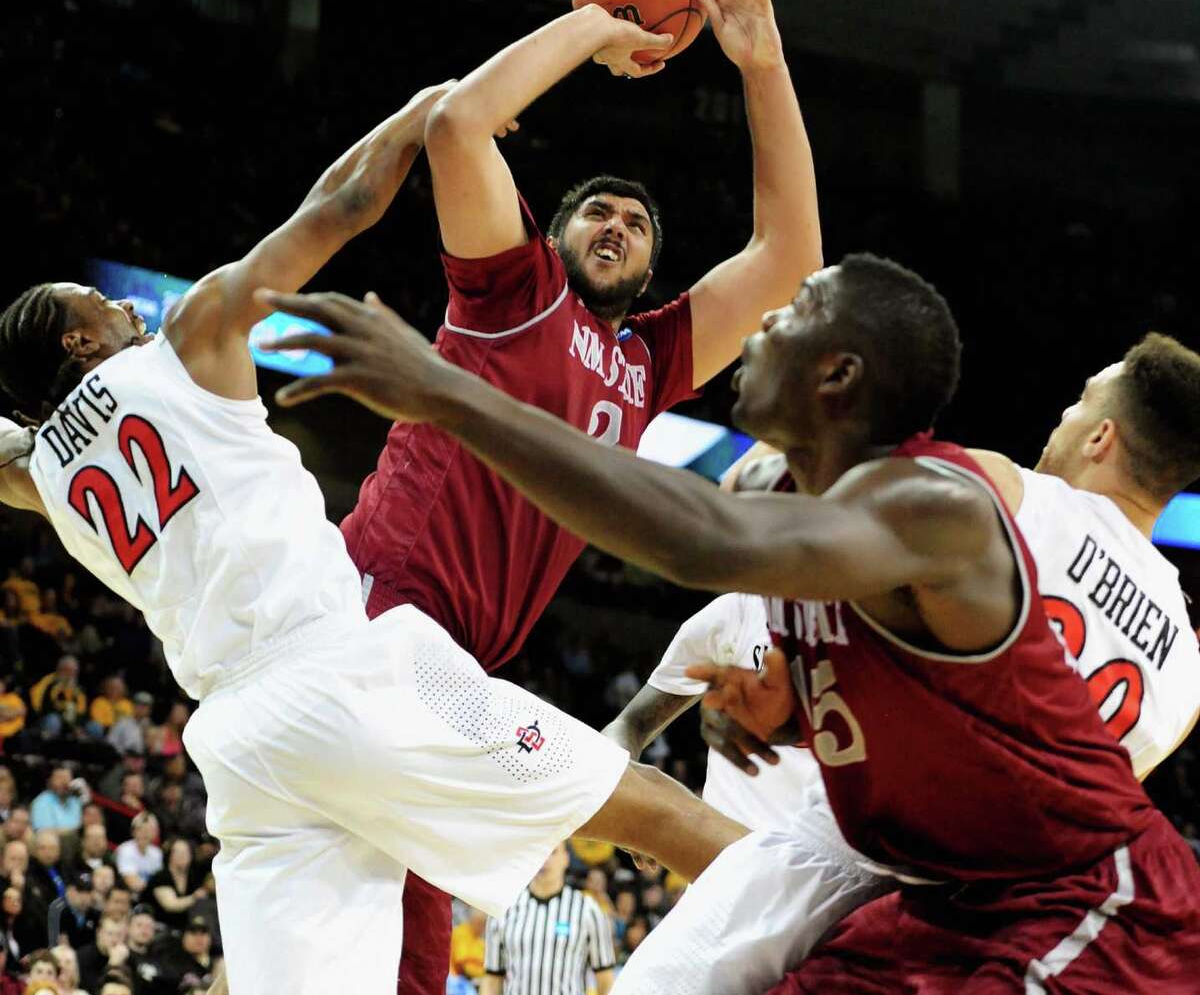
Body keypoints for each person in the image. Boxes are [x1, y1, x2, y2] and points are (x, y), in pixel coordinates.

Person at [261, 261, 1200, 992]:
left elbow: (706, 538)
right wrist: (810, 704)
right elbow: (997, 746)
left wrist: (449, 392)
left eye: (790, 317)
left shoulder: (972, 495)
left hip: (1031, 909)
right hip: (938, 896)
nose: (761, 326)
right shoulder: (1184, 667)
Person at [0, 82, 745, 994]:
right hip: (348, 666)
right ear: (79, 341)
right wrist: (432, 108)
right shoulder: (185, 342)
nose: (123, 308)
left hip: (238, 748)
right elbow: (344, 201)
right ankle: (863, 951)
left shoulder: (37, 476)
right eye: (96, 303)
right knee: (656, 811)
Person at [339, 0, 820, 994]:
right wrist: (603, 26)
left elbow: (790, 261)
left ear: (654, 262)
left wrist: (763, 66)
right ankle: (875, 957)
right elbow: (459, 120)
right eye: (596, 209)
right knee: (670, 821)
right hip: (380, 613)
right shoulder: (512, 290)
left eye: (638, 220)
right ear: (549, 232)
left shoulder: (649, 359)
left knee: (403, 951)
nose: (617, 223)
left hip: (453, 652)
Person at [603, 389, 1200, 994]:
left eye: (1077, 402)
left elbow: (776, 511)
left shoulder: (1009, 493)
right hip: (949, 930)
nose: (1060, 415)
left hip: (838, 853)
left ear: (1100, 436)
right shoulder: (1185, 671)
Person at [481, 844, 615, 995]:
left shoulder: (588, 910)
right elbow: (492, 979)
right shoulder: (504, 909)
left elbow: (605, 980)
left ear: (566, 858)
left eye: (552, 852)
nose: (544, 860)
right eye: (538, 852)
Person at [29, 656, 86, 737]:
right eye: (67, 670)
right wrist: (69, 725)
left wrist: (77, 726)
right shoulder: (48, 682)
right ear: (60, 669)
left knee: (93, 727)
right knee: (53, 720)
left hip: (70, 724)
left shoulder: (77, 688)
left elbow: (81, 710)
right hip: (45, 720)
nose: (70, 674)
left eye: (73, 671)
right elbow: (43, 707)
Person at [113, 814, 161, 897]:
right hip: (127, 895)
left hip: (148, 895)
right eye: (140, 830)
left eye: (148, 830)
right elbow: (132, 884)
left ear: (154, 833)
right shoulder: (125, 850)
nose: (144, 834)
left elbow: (159, 881)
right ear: (133, 832)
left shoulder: (157, 853)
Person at [30, 768, 85, 837]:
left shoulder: (75, 802)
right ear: (50, 781)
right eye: (59, 778)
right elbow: (43, 832)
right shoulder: (41, 801)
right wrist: (71, 831)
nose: (64, 782)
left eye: (67, 778)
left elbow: (80, 828)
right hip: (50, 843)